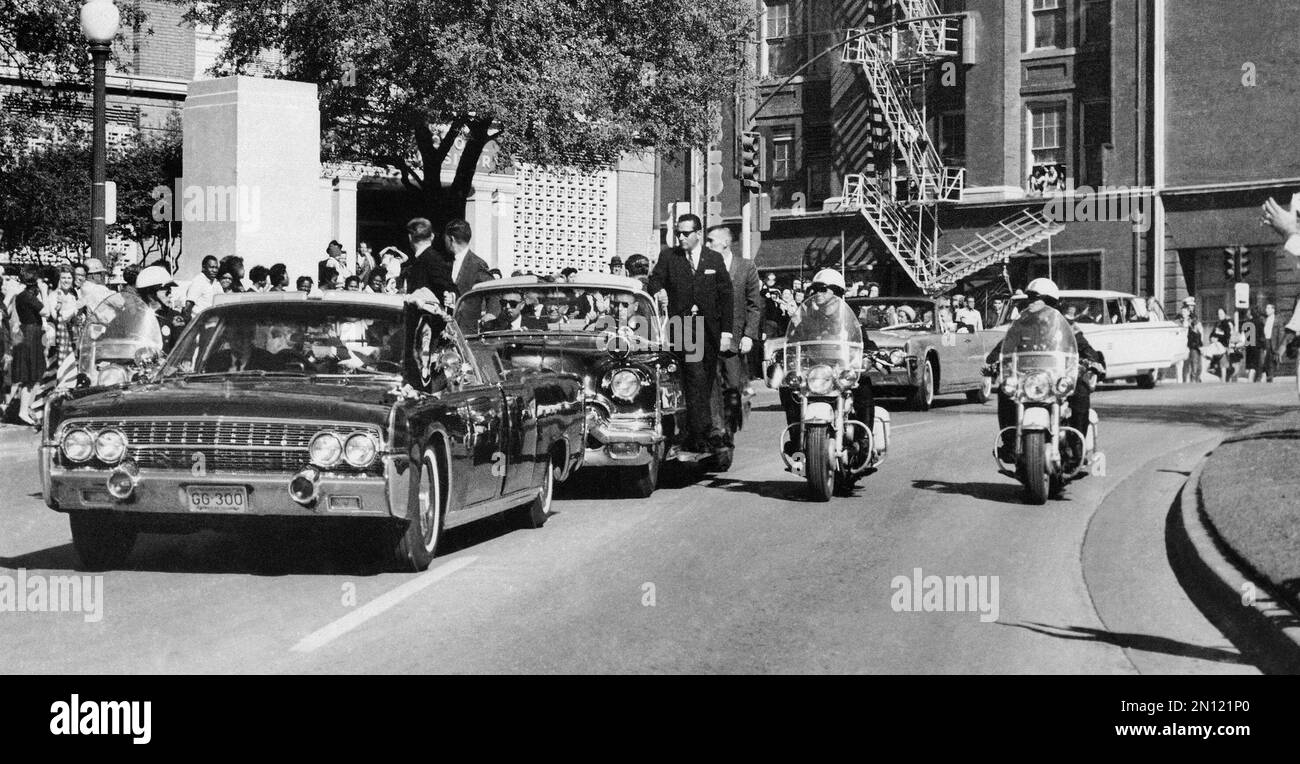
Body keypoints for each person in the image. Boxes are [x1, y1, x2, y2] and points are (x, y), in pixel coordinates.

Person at [647, 213, 734, 453]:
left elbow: (726, 297)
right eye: (678, 233)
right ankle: (700, 434)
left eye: (686, 233)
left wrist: (726, 332)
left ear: (699, 233)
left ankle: (703, 430)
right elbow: (653, 280)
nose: (681, 237)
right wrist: (660, 290)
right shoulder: (669, 257)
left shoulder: (713, 259)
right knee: (695, 376)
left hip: (709, 330)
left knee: (705, 381)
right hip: (683, 327)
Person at [989, 278, 1097, 466]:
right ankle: (1009, 443)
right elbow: (1003, 347)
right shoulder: (1021, 324)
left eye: (1035, 298)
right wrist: (992, 362)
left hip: (1054, 379)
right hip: (1028, 380)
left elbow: (1084, 347)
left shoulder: (1067, 325)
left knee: (1080, 388)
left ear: (1049, 301)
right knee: (1005, 391)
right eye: (1029, 297)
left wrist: (1094, 361)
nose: (1029, 301)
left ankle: (1075, 446)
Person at [779, 269, 876, 458]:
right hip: (815, 373)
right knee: (788, 388)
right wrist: (784, 355)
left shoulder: (850, 319)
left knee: (863, 385)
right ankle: (797, 438)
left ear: (837, 292)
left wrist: (871, 352)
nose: (817, 293)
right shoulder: (808, 321)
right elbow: (794, 340)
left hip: (840, 373)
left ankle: (864, 441)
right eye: (814, 289)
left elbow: (863, 341)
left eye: (822, 289)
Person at [707, 225, 762, 445]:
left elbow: (754, 305)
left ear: (725, 243)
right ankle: (717, 431)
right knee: (710, 386)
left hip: (735, 341)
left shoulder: (745, 267)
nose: (707, 245)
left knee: (731, 386)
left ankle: (729, 425)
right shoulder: (704, 268)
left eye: (711, 241)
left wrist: (749, 335)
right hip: (709, 339)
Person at [135, 265, 186, 353]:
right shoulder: (135, 315)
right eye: (167, 292)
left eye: (170, 291)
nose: (170, 295)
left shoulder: (174, 317)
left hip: (164, 365)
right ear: (150, 293)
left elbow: (183, 347)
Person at [403, 218, 455, 301]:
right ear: (432, 236)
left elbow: (447, 290)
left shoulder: (430, 260)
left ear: (410, 237)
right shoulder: (434, 258)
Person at [482, 289, 548, 331]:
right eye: (504, 303)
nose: (507, 306)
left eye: (512, 303)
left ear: (522, 305)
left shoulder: (537, 326)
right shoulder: (491, 326)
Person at [1208, 307, 1233, 381]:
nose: (1220, 315)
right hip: (1215, 348)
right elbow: (1212, 334)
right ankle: (1221, 380)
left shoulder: (1227, 324)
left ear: (1225, 314)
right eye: (1219, 313)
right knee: (1217, 367)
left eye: (1221, 313)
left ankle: (1224, 381)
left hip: (1223, 347)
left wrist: (1218, 339)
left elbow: (1227, 336)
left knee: (1223, 365)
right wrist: (1211, 338)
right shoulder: (1217, 324)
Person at [1180, 304, 1203, 383]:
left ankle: (1195, 379)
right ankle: (1186, 381)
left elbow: (1199, 331)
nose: (1183, 313)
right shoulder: (1179, 320)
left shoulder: (1193, 320)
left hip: (1193, 345)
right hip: (1184, 346)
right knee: (1186, 365)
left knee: (1196, 364)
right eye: (1182, 311)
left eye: (1185, 311)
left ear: (1188, 312)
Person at [1261, 303, 1283, 383]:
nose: (1266, 310)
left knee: (1271, 360)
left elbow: (1281, 333)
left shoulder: (1277, 319)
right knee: (1265, 360)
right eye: (1266, 308)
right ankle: (1268, 376)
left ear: (1273, 310)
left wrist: (1279, 345)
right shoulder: (1265, 319)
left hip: (1272, 342)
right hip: (1265, 341)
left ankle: (1270, 377)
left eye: (1268, 308)